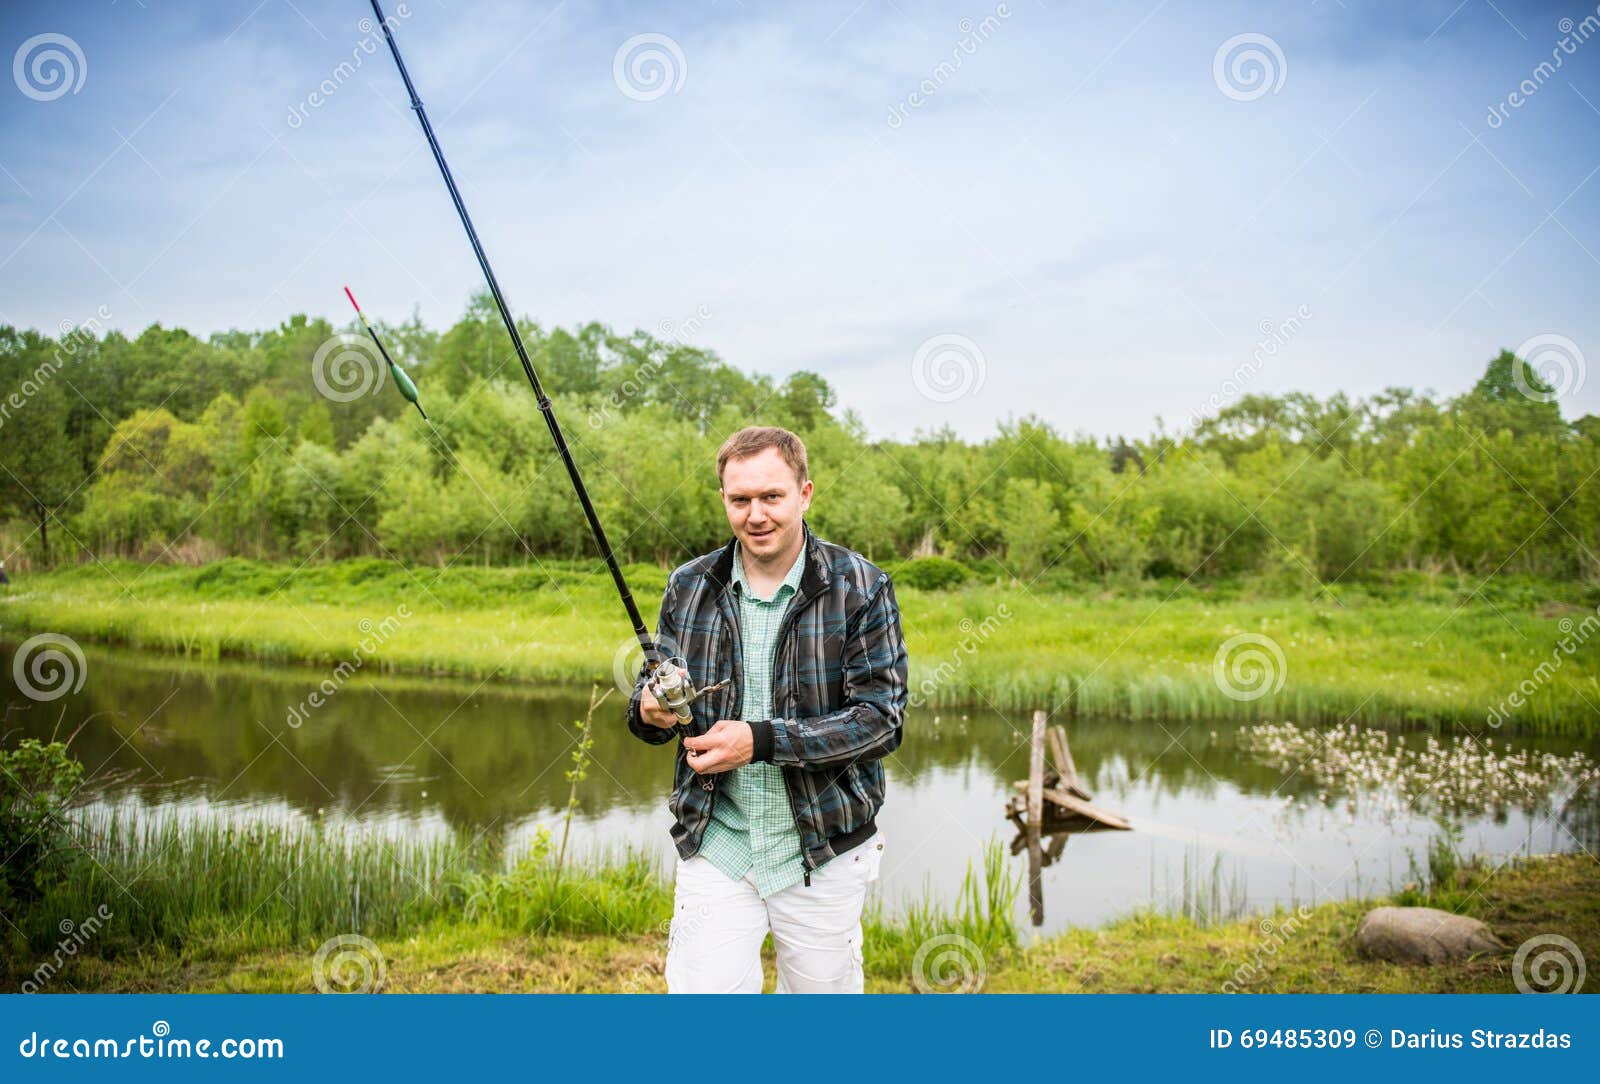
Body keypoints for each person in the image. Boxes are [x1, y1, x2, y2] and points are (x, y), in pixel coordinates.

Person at [626, 425, 908, 993]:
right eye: (740, 499)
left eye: (771, 496)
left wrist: (761, 741)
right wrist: (649, 710)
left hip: (825, 846)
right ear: (725, 500)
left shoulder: (861, 587)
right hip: (717, 841)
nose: (756, 514)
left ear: (804, 493)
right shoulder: (688, 585)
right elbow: (652, 697)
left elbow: (881, 720)